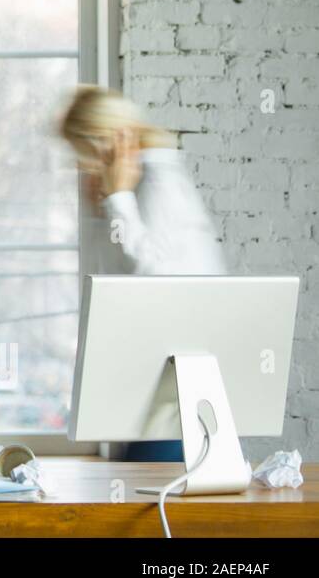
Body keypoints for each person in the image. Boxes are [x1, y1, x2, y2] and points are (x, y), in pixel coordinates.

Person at [59, 85, 226, 461]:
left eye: (81, 152)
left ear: (106, 141)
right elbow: (111, 280)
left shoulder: (157, 179)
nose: (78, 165)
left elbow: (155, 280)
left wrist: (117, 199)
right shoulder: (127, 184)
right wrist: (101, 210)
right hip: (153, 384)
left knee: (154, 503)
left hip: (176, 389)